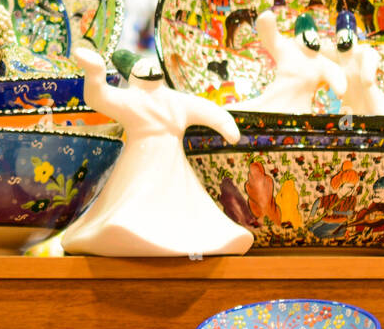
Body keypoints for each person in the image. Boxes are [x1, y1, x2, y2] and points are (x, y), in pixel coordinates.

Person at [49, 46, 254, 258]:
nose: (148, 71)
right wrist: (95, 73)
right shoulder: (130, 99)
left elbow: (205, 109)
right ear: (133, 75)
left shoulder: (175, 100)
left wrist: (225, 125)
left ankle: (204, 238)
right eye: (141, 67)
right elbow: (98, 97)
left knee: (181, 203)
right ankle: (121, 231)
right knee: (133, 196)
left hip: (172, 163)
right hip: (138, 160)